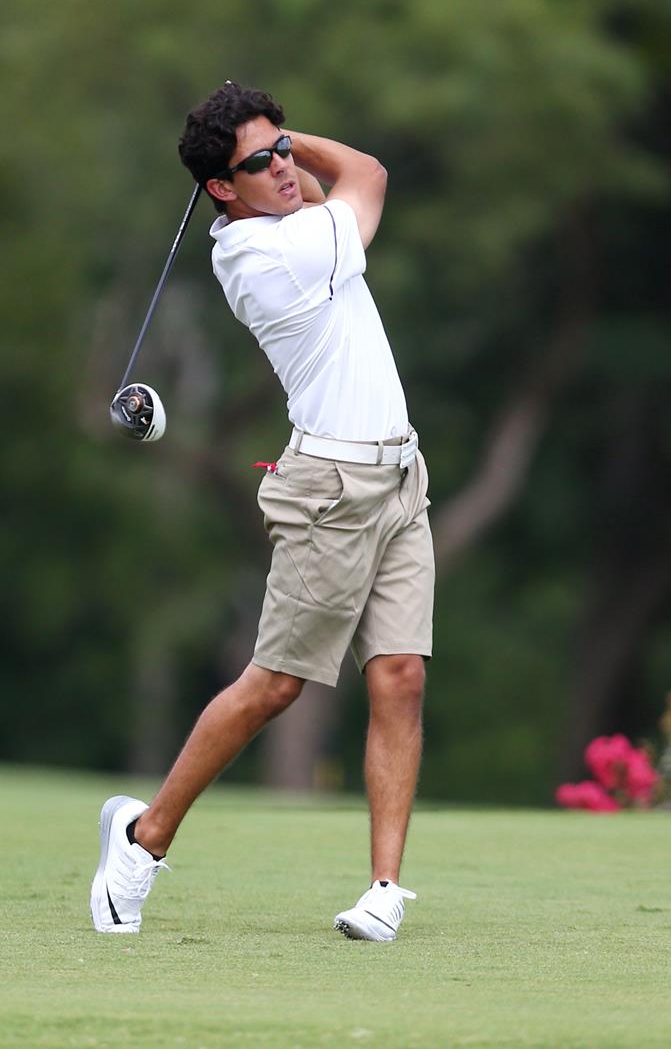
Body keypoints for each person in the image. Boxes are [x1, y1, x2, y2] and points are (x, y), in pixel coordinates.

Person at [89, 83, 433, 942]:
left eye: (283, 149)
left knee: (401, 676)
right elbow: (369, 174)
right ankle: (142, 839)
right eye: (258, 162)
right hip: (331, 493)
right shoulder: (267, 259)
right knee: (275, 683)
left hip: (399, 476)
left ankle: (384, 888)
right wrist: (306, 144)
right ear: (219, 190)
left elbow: (317, 190)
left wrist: (269, 147)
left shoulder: (291, 220)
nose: (283, 167)